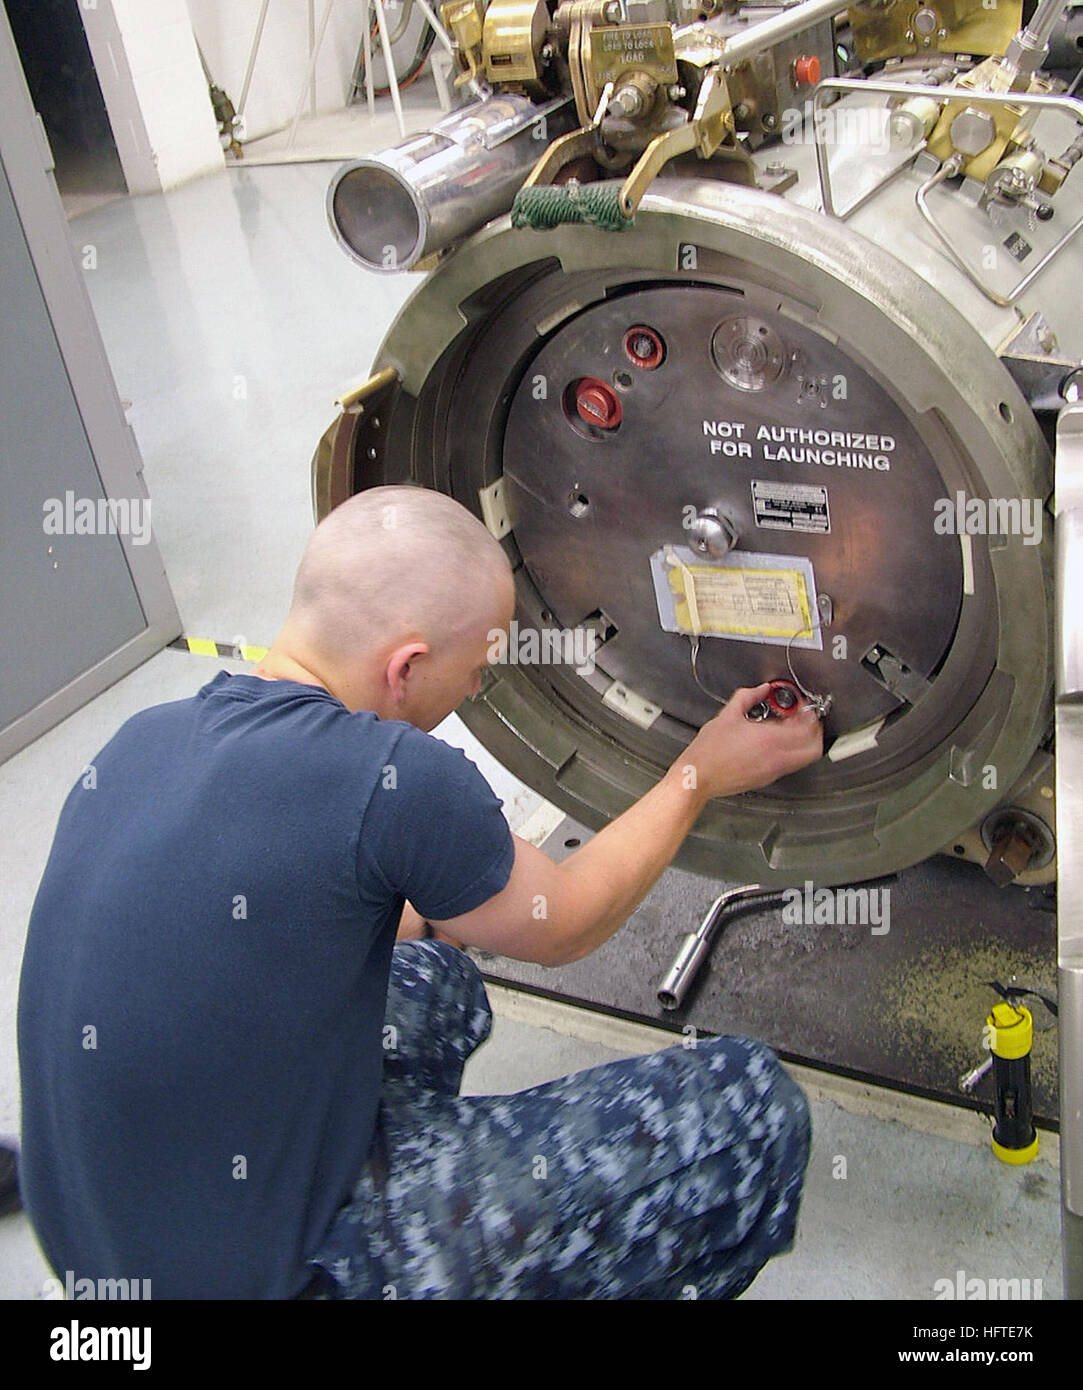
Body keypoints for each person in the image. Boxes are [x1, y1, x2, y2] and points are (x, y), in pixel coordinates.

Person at [17, 484, 822, 1300]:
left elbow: (297, 908)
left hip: (97, 1242)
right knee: (752, 1105)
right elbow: (569, 922)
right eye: (474, 673)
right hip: (284, 1278)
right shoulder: (396, 778)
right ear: (405, 666)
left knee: (439, 974)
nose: (474, 692)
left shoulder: (140, 739)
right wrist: (700, 774)